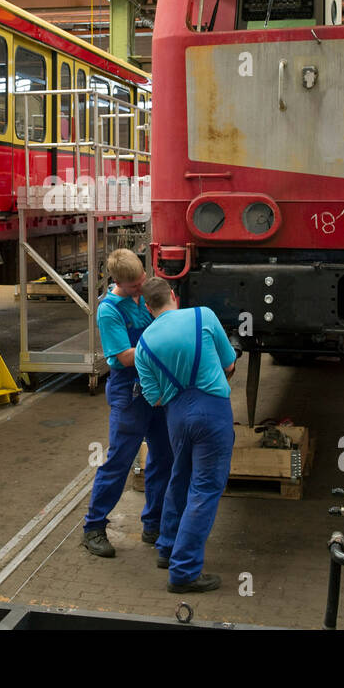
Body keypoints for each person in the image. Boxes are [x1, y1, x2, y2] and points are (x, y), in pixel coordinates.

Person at [135, 277, 237, 593]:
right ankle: (184, 571)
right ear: (173, 297)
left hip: (176, 416)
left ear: (148, 308)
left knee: (180, 478)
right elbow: (229, 364)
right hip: (212, 410)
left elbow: (154, 398)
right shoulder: (202, 316)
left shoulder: (143, 345)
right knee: (204, 489)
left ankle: (167, 548)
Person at [80, 249, 172, 558]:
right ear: (119, 282)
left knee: (164, 456)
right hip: (129, 391)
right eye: (135, 286)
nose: (141, 288)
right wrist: (164, 344)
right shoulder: (109, 311)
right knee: (120, 459)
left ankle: (154, 523)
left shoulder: (143, 296)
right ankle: (93, 527)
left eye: (143, 281)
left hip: (156, 388)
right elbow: (123, 356)